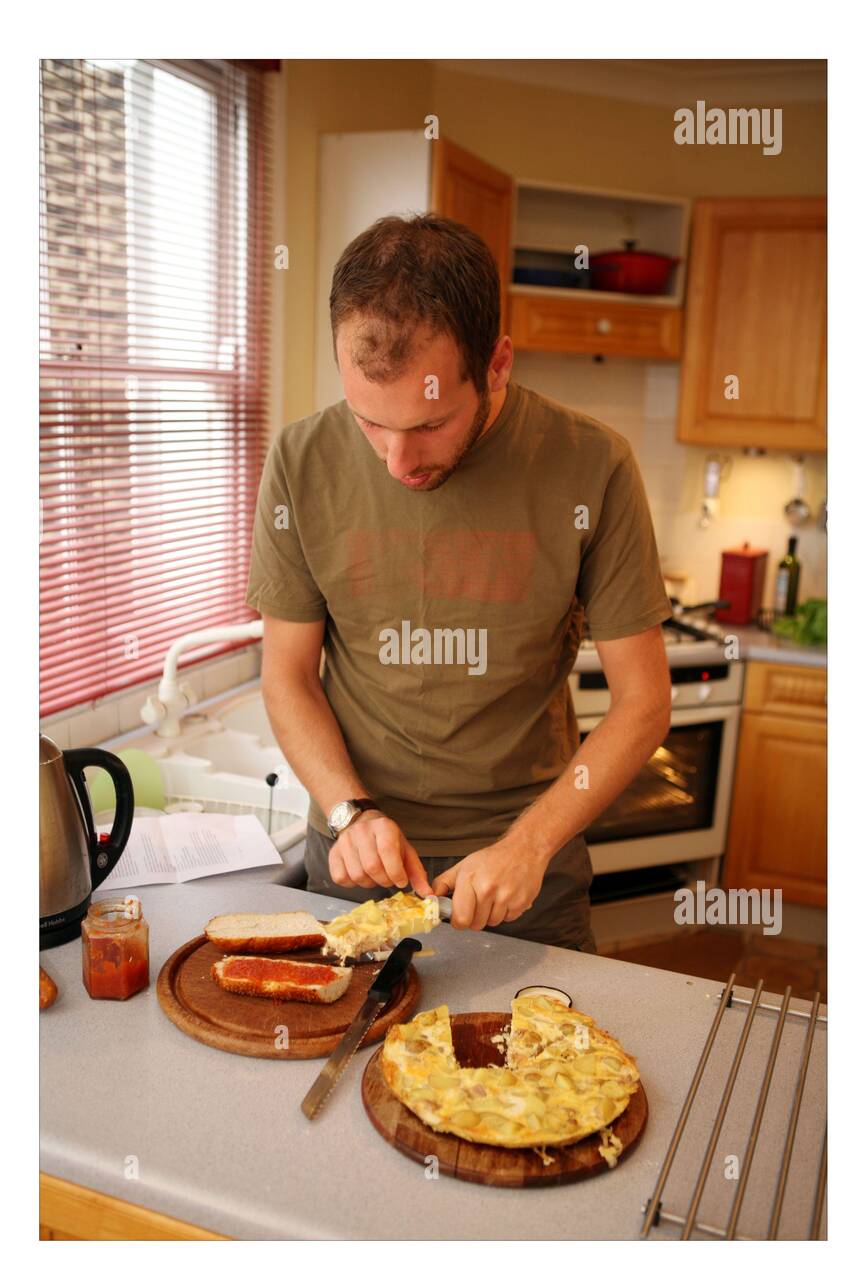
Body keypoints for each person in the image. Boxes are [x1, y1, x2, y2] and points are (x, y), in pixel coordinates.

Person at [246, 214, 671, 951]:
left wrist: (531, 845)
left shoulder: (592, 465)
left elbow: (644, 704)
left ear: (498, 363)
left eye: (431, 423)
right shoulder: (299, 460)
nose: (396, 462)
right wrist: (350, 812)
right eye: (369, 421)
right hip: (355, 855)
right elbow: (286, 674)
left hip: (527, 869)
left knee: (554, 1065)